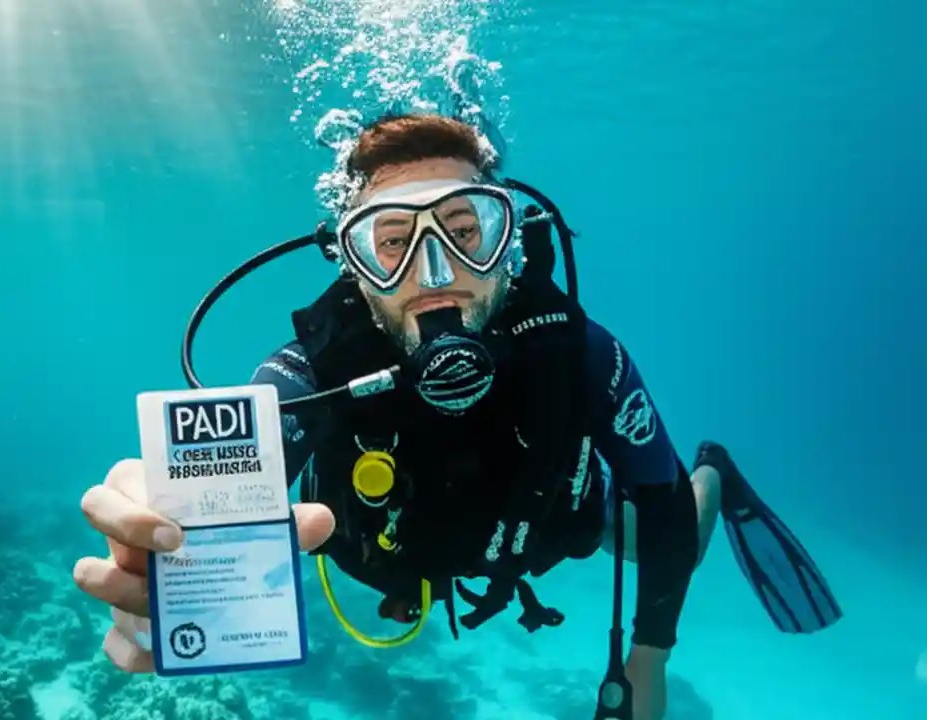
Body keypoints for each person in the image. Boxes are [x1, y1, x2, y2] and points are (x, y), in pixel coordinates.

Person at [74, 113, 842, 720]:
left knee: (675, 530)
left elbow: (662, 508)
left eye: (466, 233)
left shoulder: (577, 352)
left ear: (508, 243)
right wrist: (165, 517)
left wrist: (649, 658)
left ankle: (718, 471)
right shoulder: (311, 372)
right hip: (399, 548)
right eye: (394, 245)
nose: (435, 278)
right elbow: (227, 454)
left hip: (554, 523)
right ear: (354, 266)